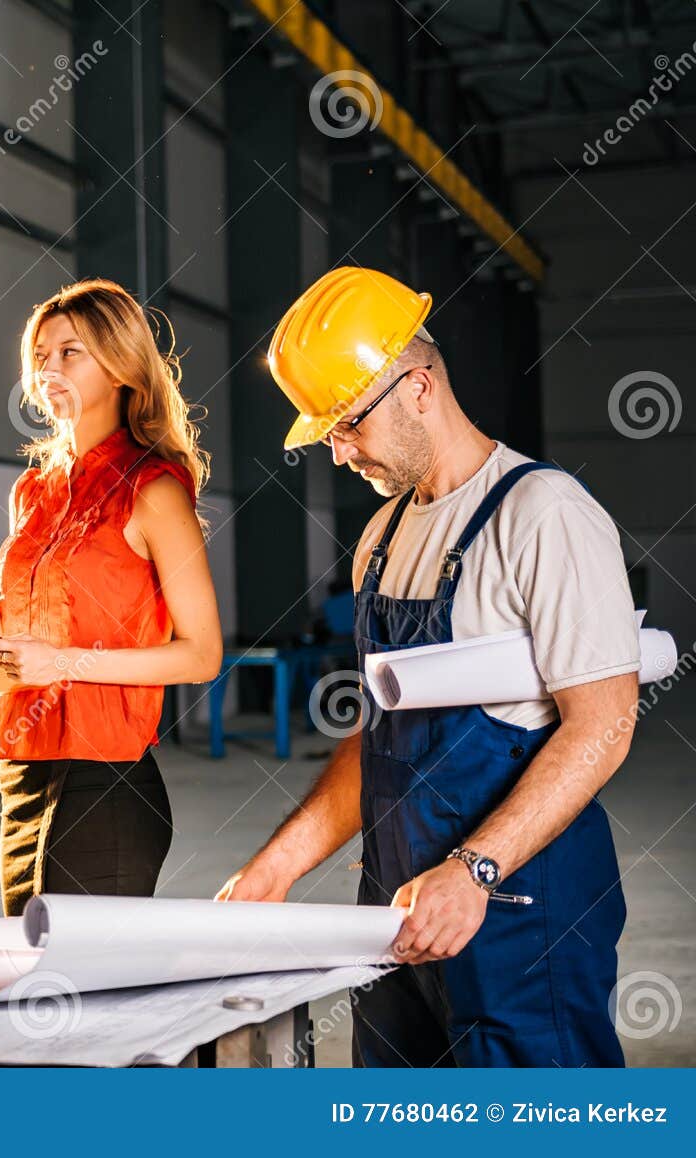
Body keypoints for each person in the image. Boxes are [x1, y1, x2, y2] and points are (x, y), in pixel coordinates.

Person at [218, 266, 641, 1067]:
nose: (339, 454)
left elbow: (604, 726)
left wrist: (474, 870)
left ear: (417, 387)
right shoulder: (380, 540)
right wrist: (275, 869)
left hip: (521, 910)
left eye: (347, 426)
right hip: (398, 912)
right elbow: (381, 737)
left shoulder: (541, 514)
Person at [0, 278, 222, 917]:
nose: (46, 370)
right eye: (40, 357)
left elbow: (200, 656)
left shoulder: (155, 489)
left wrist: (65, 665)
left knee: (79, 999)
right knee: (31, 981)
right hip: (24, 773)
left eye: (69, 353)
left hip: (105, 779)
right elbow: (36, 641)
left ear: (121, 367)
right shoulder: (34, 493)